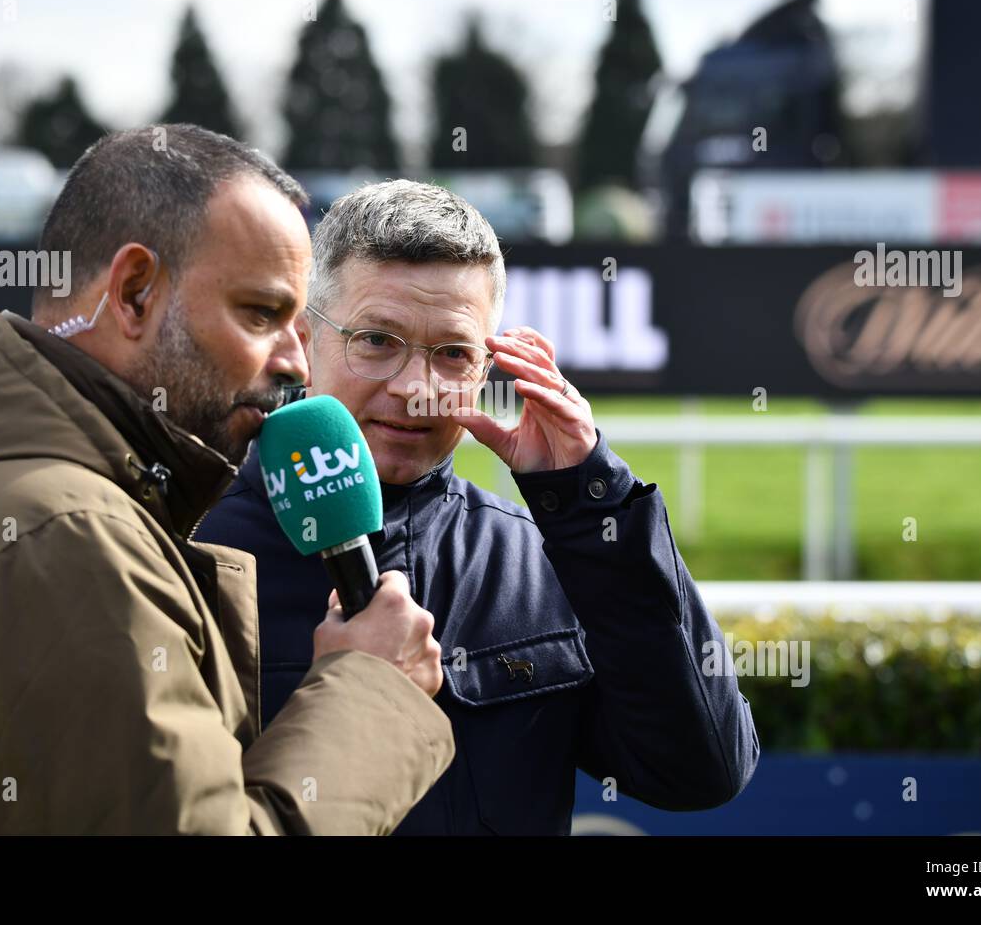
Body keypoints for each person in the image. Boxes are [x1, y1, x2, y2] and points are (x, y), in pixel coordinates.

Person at [0, 126, 453, 834]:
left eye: (299, 325)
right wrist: (371, 691)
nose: (296, 364)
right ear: (135, 292)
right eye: (262, 313)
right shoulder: (60, 536)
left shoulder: (3, 486)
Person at [194, 180, 760, 835]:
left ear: (490, 366)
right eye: (377, 340)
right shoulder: (191, 549)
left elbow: (700, 772)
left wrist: (590, 504)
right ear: (303, 339)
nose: (414, 388)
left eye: (454, 354)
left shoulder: (550, 555)